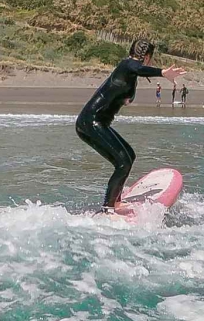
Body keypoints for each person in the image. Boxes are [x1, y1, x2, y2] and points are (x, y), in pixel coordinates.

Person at [77, 38, 184, 210]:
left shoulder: (128, 73)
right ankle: (109, 207)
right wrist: (163, 72)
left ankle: (115, 201)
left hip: (97, 124)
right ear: (147, 56)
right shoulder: (128, 65)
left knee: (128, 156)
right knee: (123, 162)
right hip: (90, 122)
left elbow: (135, 72)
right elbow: (137, 67)